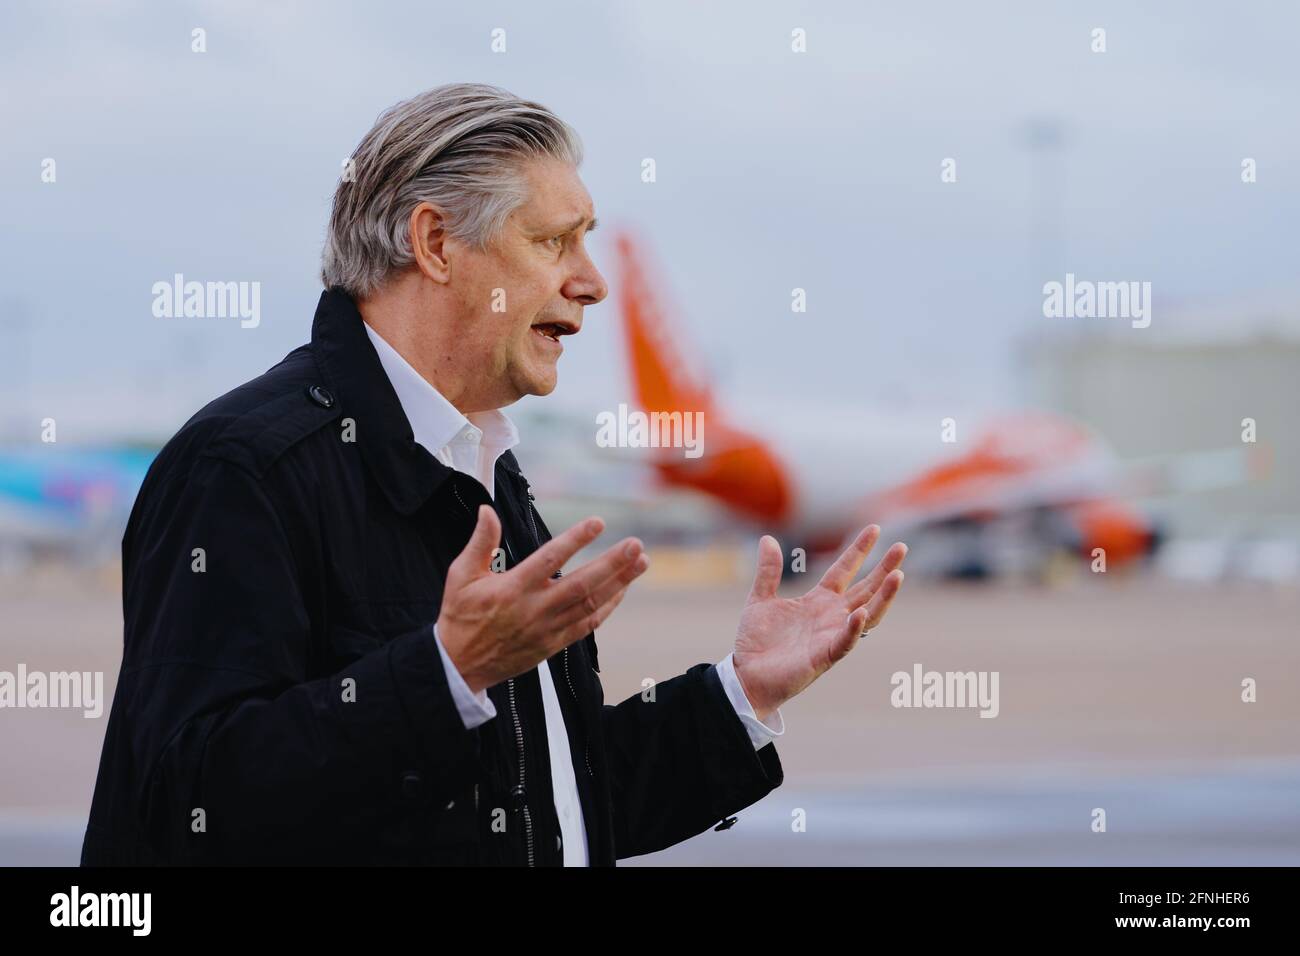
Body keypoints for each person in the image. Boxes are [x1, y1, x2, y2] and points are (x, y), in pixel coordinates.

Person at [81, 83, 907, 866]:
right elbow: (183, 807)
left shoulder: (483, 464)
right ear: (436, 244)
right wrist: (446, 674)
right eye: (554, 241)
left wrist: (738, 697)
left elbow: (550, 803)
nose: (592, 282)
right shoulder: (245, 466)